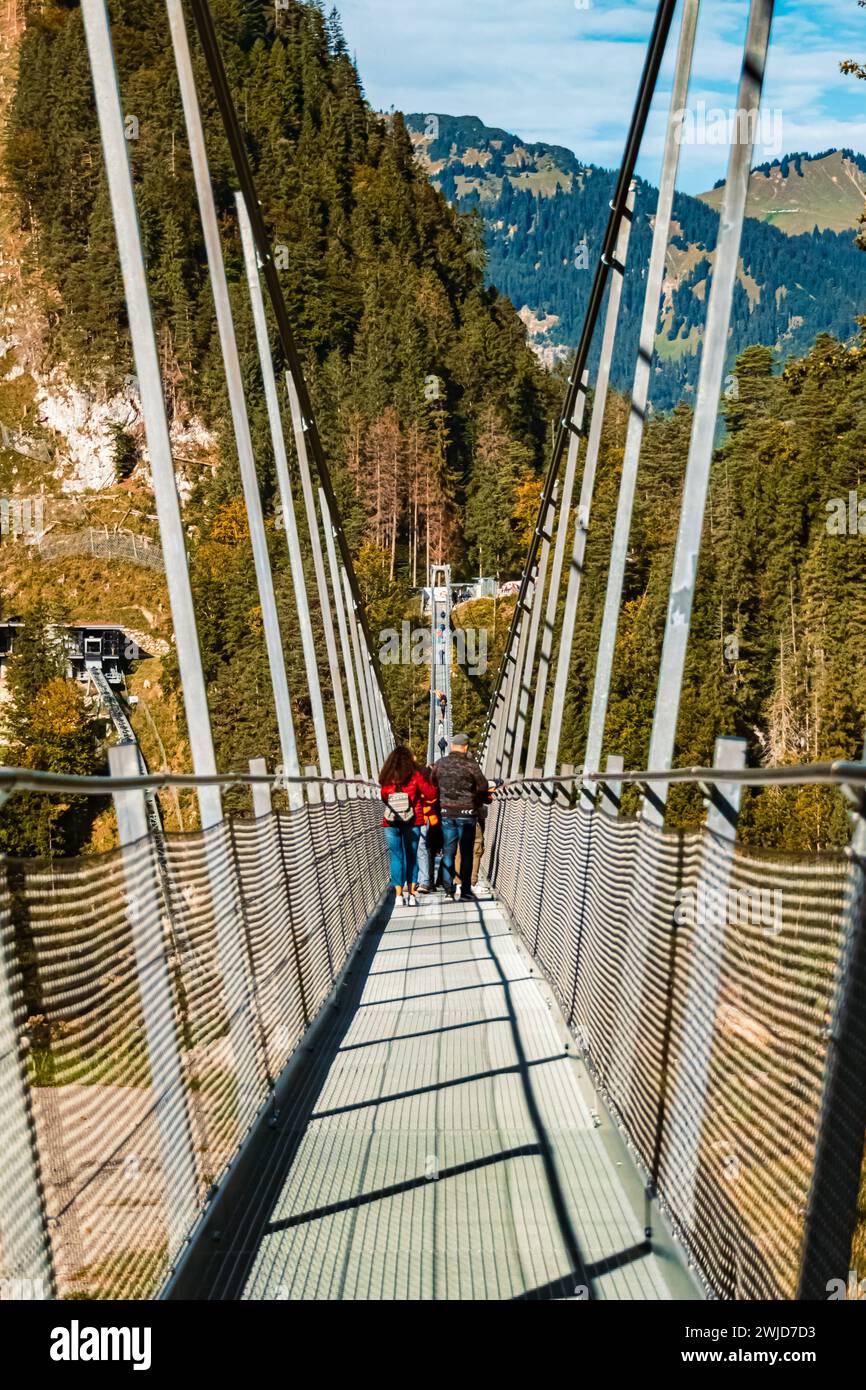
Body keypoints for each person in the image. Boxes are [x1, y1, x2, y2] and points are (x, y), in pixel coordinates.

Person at [431, 733, 488, 901]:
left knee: (448, 852)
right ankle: (465, 891)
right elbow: (483, 786)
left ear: (451, 746)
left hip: (446, 813)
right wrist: (474, 798)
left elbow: (432, 783)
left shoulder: (440, 764)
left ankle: (449, 891)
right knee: (466, 853)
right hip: (467, 814)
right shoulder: (471, 764)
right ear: (466, 747)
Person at [379, 747, 437, 908]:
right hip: (413, 820)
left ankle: (398, 896)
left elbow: (384, 796)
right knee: (412, 857)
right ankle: (411, 895)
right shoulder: (415, 775)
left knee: (396, 857)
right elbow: (431, 794)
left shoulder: (386, 776)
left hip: (391, 822)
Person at [415, 767, 442, 894]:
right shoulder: (430, 783)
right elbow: (432, 796)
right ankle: (427, 882)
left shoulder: (410, 779)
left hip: (417, 818)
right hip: (429, 818)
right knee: (425, 849)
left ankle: (415, 881)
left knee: (411, 849)